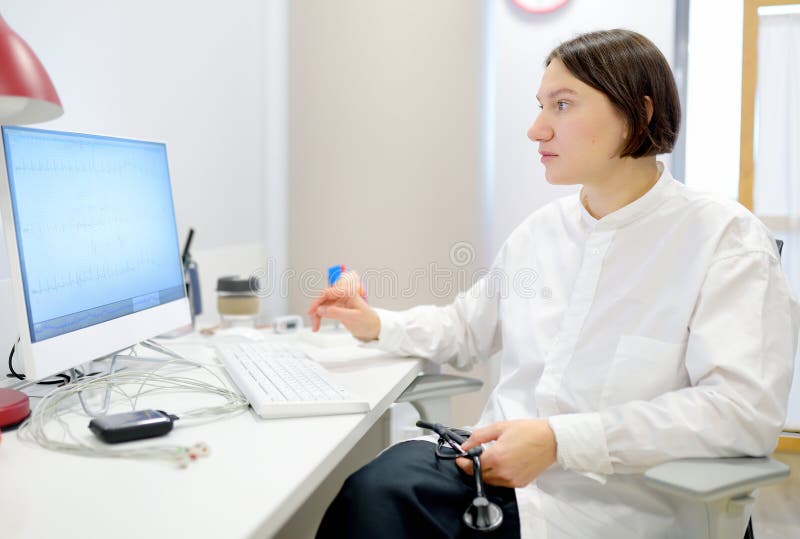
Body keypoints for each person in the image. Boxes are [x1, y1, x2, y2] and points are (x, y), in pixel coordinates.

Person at [307, 29, 800, 539]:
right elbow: (462, 328)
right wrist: (371, 321)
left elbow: (742, 413)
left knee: (382, 502)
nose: (536, 129)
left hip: (616, 509)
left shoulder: (725, 239)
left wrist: (559, 441)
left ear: (642, 112)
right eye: (541, 105)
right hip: (490, 474)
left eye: (562, 105)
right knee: (373, 492)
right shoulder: (540, 233)